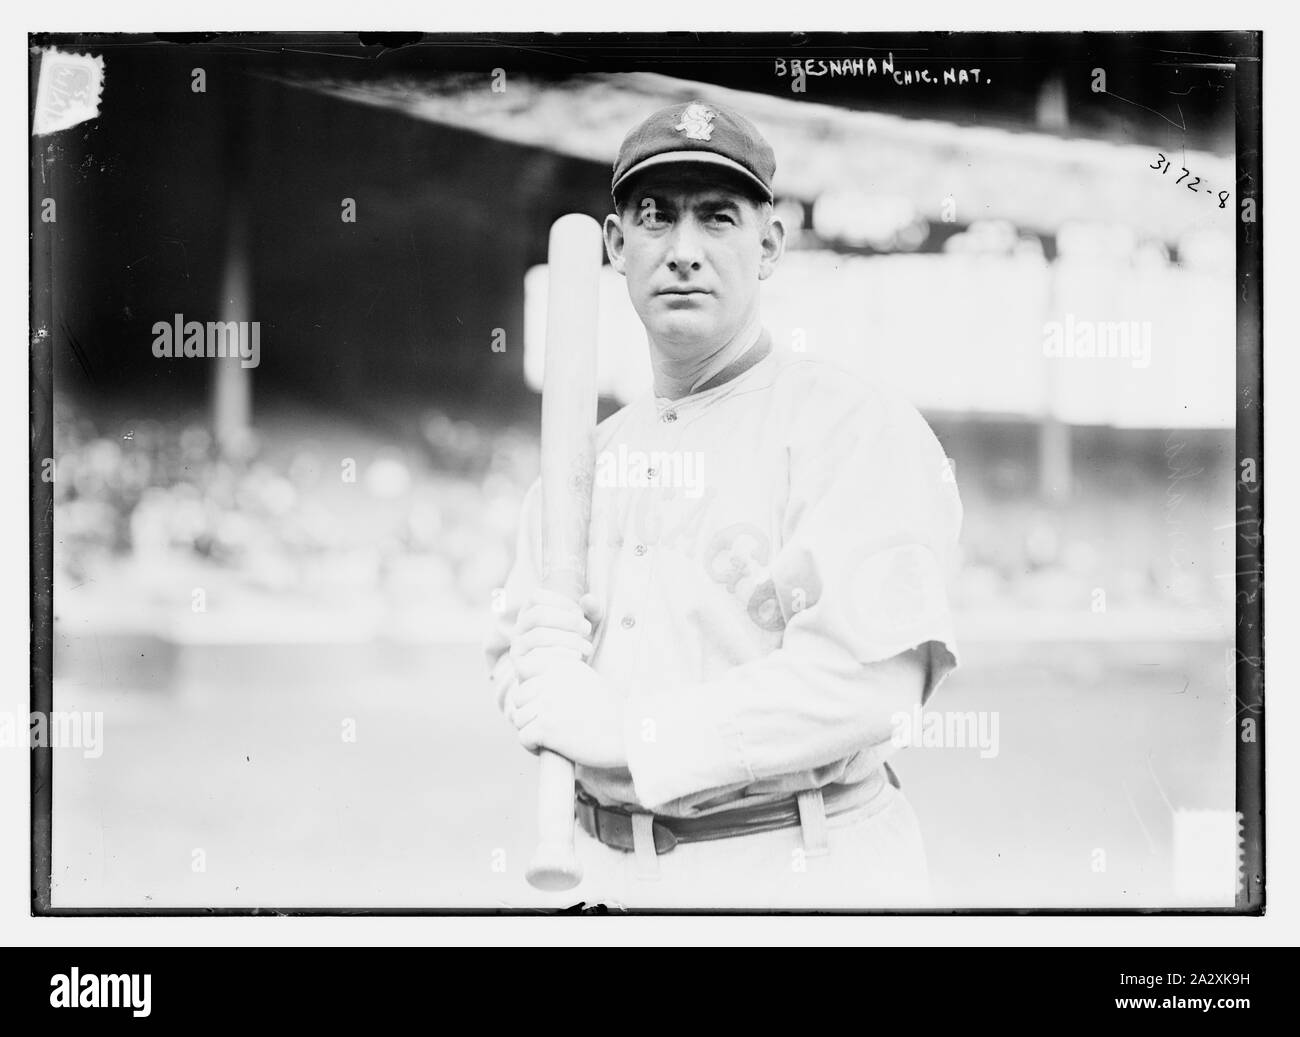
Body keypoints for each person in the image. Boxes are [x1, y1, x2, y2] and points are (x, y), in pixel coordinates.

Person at [485, 99, 963, 908]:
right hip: (594, 878)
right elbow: (515, 660)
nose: (682, 251)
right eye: (654, 217)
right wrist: (537, 674)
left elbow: (866, 684)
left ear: (769, 244)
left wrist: (628, 734)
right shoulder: (581, 463)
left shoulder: (854, 429)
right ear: (615, 246)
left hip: (797, 872)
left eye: (717, 218)